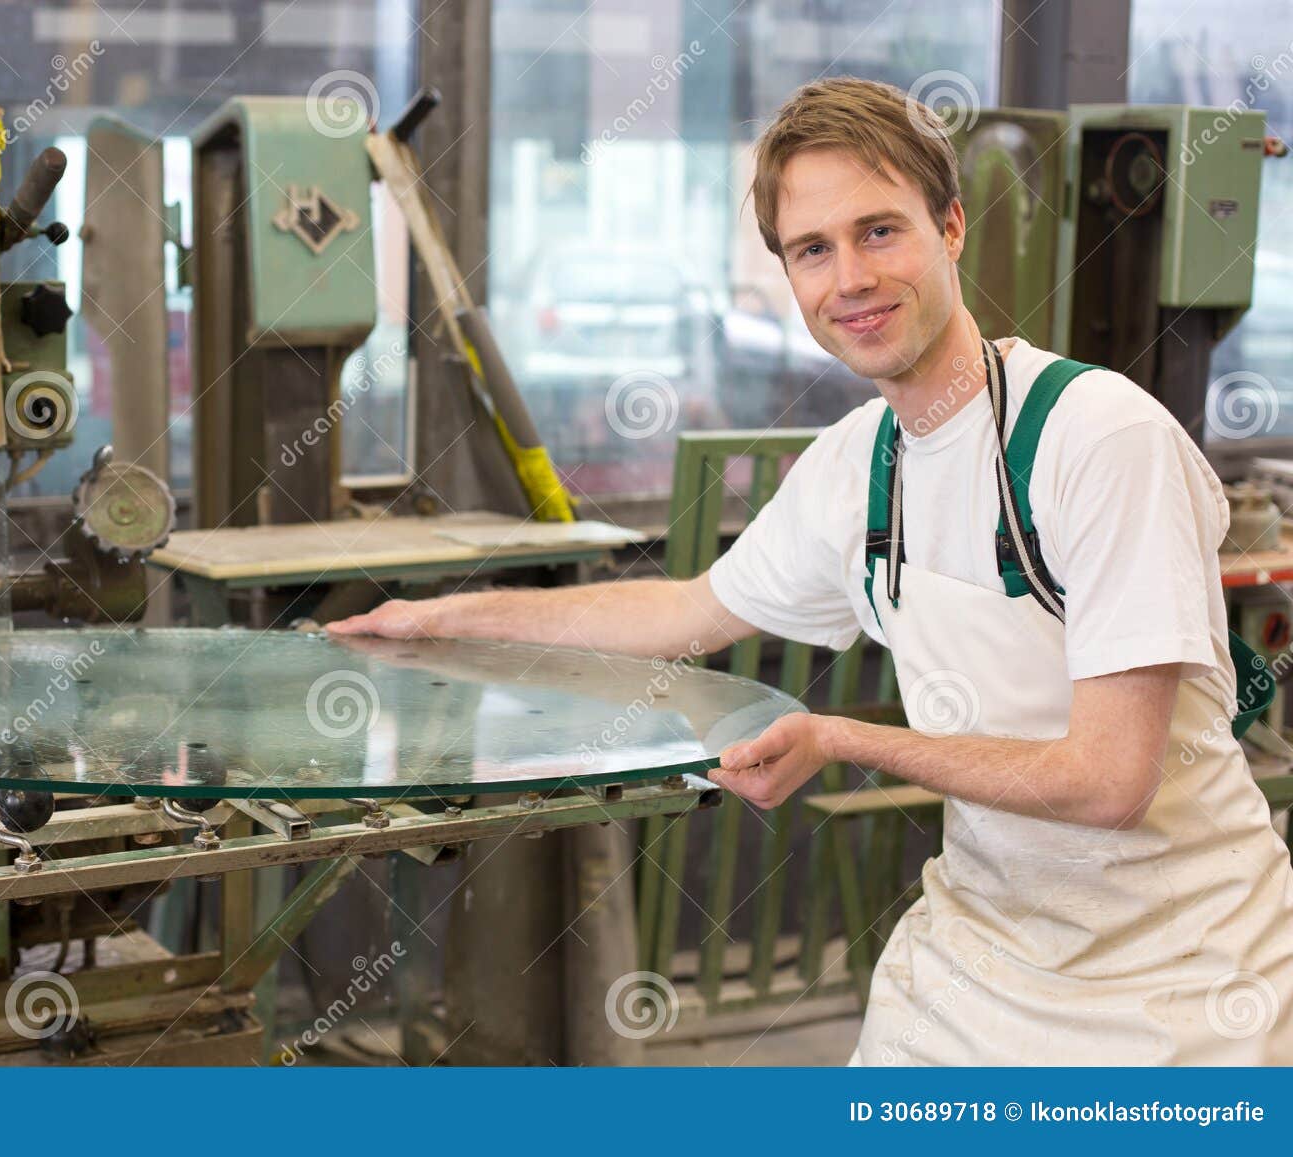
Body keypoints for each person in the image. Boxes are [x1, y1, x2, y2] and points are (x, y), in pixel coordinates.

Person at [326, 76, 1293, 1065]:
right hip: (979, 967)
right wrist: (443, 619)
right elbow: (684, 612)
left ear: (951, 226)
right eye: (812, 250)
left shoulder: (1097, 437)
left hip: (1182, 987)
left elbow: (1108, 781)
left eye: (880, 231)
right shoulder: (854, 466)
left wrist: (839, 737)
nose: (851, 279)